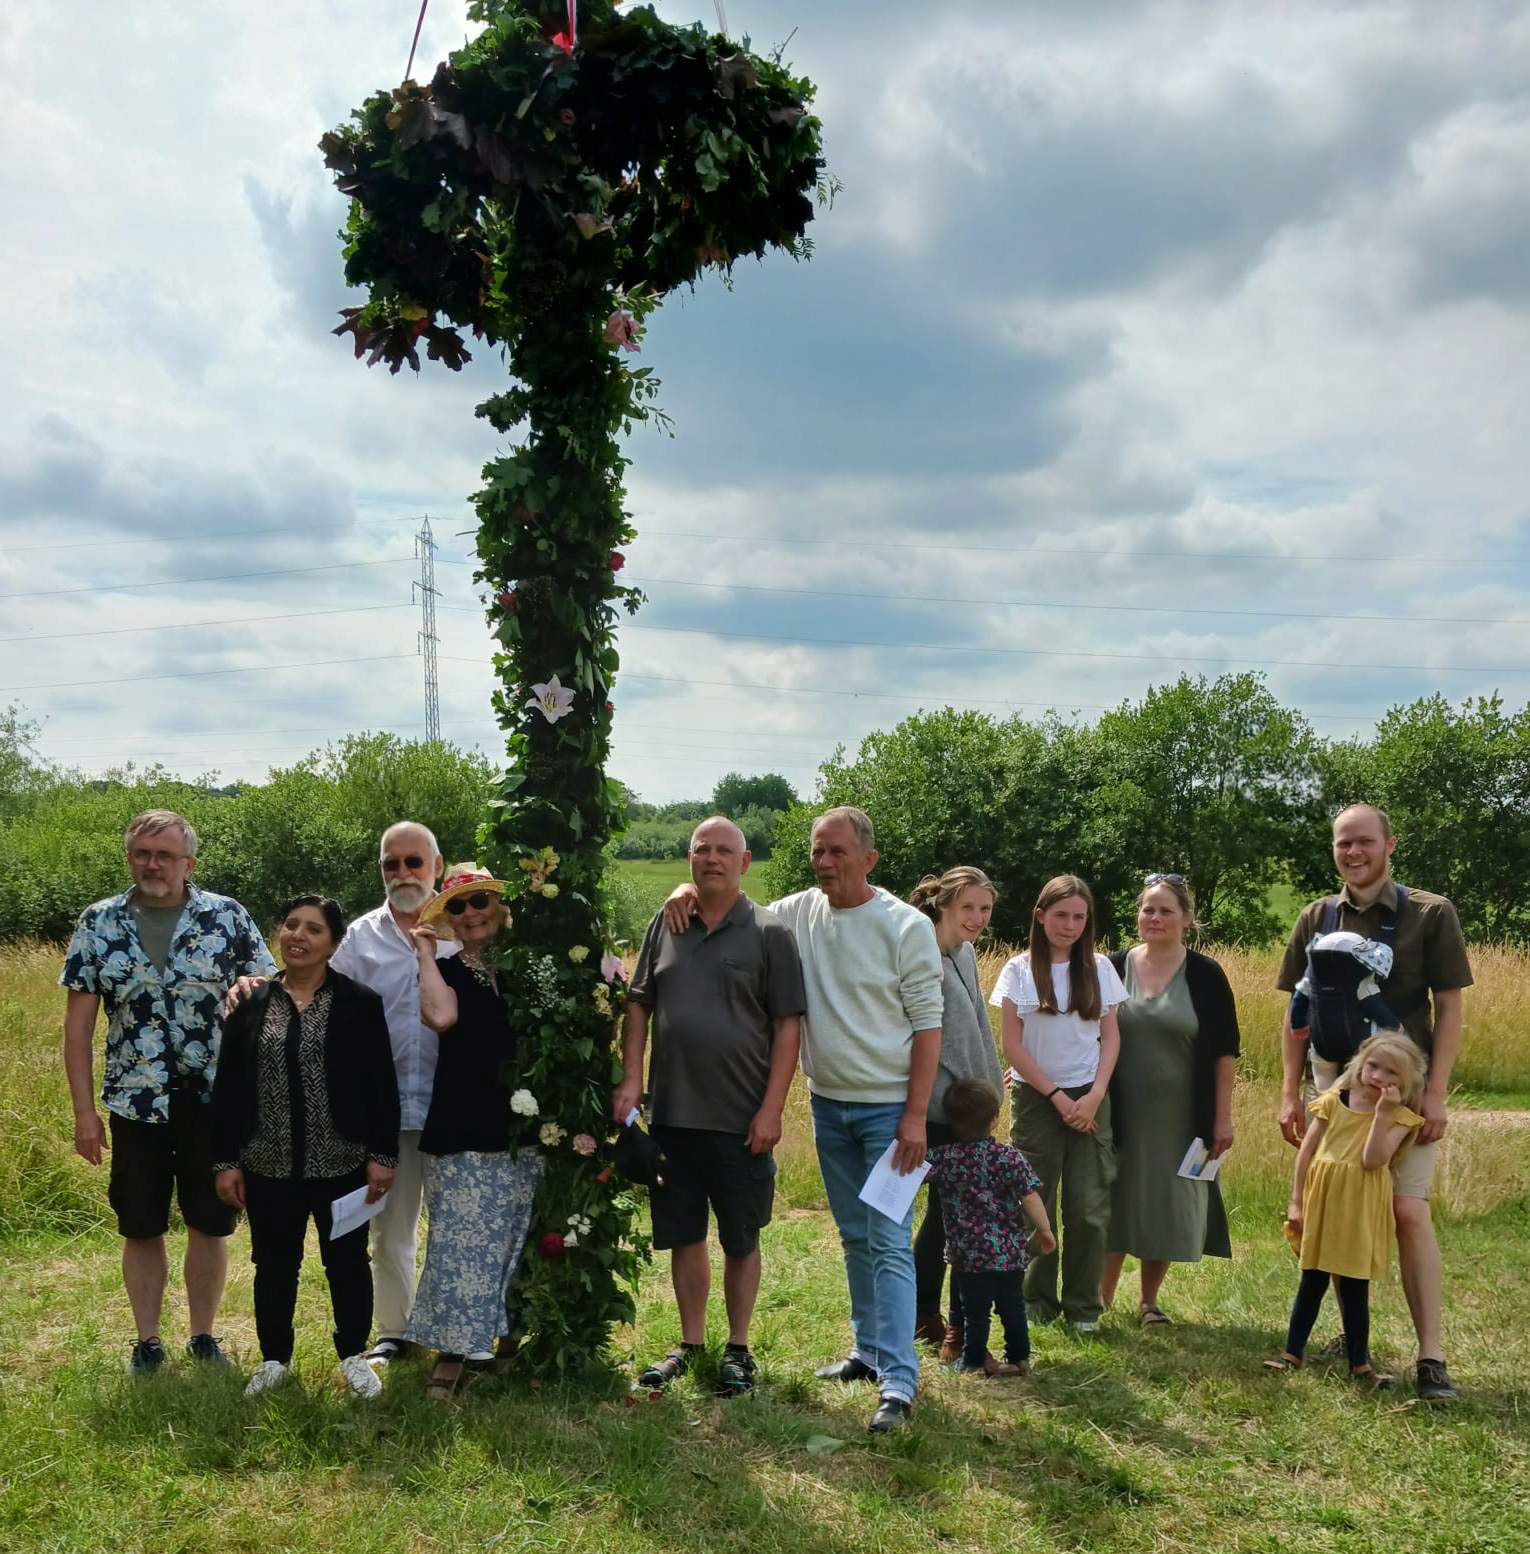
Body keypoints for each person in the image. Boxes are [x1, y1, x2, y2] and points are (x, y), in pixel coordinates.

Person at [664, 805, 943, 1433]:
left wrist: (916, 1118)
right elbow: (728, 894)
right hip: (829, 1103)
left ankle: (899, 1379)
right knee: (852, 1235)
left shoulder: (905, 927)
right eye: (818, 851)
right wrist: (685, 887)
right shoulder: (796, 914)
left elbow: (930, 1027)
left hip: (891, 1111)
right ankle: (867, 1353)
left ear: (869, 860)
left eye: (837, 852)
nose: (824, 862)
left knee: (890, 1240)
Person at [226, 819, 455, 1364]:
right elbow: (308, 980)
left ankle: (450, 1335)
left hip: (453, 1106)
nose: (402, 873)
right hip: (379, 1113)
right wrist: (253, 984)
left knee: (454, 1229)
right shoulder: (358, 937)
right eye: (391, 864)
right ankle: (395, 1334)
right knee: (387, 1231)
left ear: (437, 867)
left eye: (413, 862)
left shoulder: (461, 924)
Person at [60, 809, 276, 1374]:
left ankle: (204, 1337)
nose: (152, 865)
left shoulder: (226, 917)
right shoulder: (99, 923)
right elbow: (78, 1026)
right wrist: (85, 1112)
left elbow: (268, 993)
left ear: (189, 862)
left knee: (210, 1220)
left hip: (214, 1099)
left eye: (165, 855)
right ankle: (148, 1342)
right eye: (142, 853)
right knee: (141, 1222)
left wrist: (253, 993)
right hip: (136, 1101)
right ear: (130, 856)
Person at [1275, 803, 1473, 1402]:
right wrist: (1290, 1091)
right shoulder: (1316, 916)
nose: (1353, 853)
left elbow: (1451, 1010)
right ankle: (1353, 1342)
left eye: (1364, 842)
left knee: (1408, 1211)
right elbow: (1294, 1016)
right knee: (1335, 1199)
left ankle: (1430, 1357)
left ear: (1390, 845)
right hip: (1335, 1083)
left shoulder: (1430, 914)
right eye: (1342, 844)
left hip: (1402, 1092)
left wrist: (1435, 1094)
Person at [616, 818, 805, 1397]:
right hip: (672, 1114)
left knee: (741, 1237)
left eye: (725, 851)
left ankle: (740, 1349)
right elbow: (639, 1005)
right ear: (689, 859)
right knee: (684, 1233)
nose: (713, 859)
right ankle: (691, 1342)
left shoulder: (770, 933)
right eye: (703, 850)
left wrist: (773, 1109)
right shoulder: (667, 923)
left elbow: (788, 1025)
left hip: (742, 1117)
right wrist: (631, 1079)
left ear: (745, 863)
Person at [209, 896, 399, 1400]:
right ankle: (274, 1360)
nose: (299, 936)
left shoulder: (359, 1002)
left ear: (333, 944)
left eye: (314, 930)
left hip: (342, 1163)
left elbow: (381, 1084)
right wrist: (227, 1160)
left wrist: (383, 1156)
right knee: (274, 1265)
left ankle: (354, 1358)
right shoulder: (249, 1003)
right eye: (291, 925)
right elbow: (229, 1087)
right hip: (268, 1165)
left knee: (347, 1263)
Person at [408, 866, 546, 1400]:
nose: (471, 914)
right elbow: (441, 1018)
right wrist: (424, 954)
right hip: (461, 1123)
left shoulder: (529, 970)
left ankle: (505, 1341)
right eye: (459, 908)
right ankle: (452, 1350)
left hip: (522, 1125)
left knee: (515, 1237)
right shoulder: (446, 971)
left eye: (481, 900)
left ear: (500, 906)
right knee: (459, 1243)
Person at [1101, 874, 1239, 1324]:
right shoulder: (1112, 965)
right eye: (1147, 909)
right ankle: (1099, 1301)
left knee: (1163, 1199)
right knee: (1113, 1197)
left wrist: (1222, 1118)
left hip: (1182, 1114)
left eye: (1165, 910)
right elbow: (1080, 1030)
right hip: (1117, 1110)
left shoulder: (1205, 974)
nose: (1154, 917)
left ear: (1186, 918)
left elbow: (1224, 1053)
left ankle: (1148, 1302)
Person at [992, 874, 1125, 1333]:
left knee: (1089, 1208)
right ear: (1041, 916)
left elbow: (1110, 1038)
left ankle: (1084, 1306)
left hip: (1091, 1098)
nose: (1069, 925)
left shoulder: (1102, 968)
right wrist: (1054, 1096)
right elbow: (1013, 1045)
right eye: (1061, 915)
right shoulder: (1018, 969)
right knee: (1035, 1202)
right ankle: (1037, 1302)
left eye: (1079, 917)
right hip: (1035, 1100)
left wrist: (1094, 1096)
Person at [1263, 1032, 1428, 1391]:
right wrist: (1296, 1202)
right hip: (1323, 1200)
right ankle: (1292, 1353)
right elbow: (1306, 1153)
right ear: (1360, 1063)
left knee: (1355, 1285)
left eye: (1391, 1074)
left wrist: (1382, 1116)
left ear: (1406, 1082)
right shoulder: (1333, 1101)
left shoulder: (1400, 1118)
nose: (1378, 1077)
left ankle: (1360, 1364)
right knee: (1312, 1280)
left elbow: (1372, 1160)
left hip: (1360, 1206)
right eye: (1373, 1066)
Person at [905, 867, 1004, 1364]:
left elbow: (975, 1030)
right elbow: (925, 1034)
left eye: (984, 909)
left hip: (968, 1110)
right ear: (942, 903)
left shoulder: (963, 953)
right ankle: (925, 1316)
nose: (977, 918)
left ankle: (932, 1316)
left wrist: (989, 1087)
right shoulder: (921, 950)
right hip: (934, 1109)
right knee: (931, 1217)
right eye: (967, 907)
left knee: (949, 1219)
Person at [924, 1079, 1055, 1378]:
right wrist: (1045, 1231)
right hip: (1010, 1252)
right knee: (1013, 1308)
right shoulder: (1009, 1157)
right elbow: (1030, 1196)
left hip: (968, 1255)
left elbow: (909, 1170)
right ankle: (1020, 1358)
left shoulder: (945, 1159)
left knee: (975, 1312)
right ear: (995, 1117)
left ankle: (971, 1361)